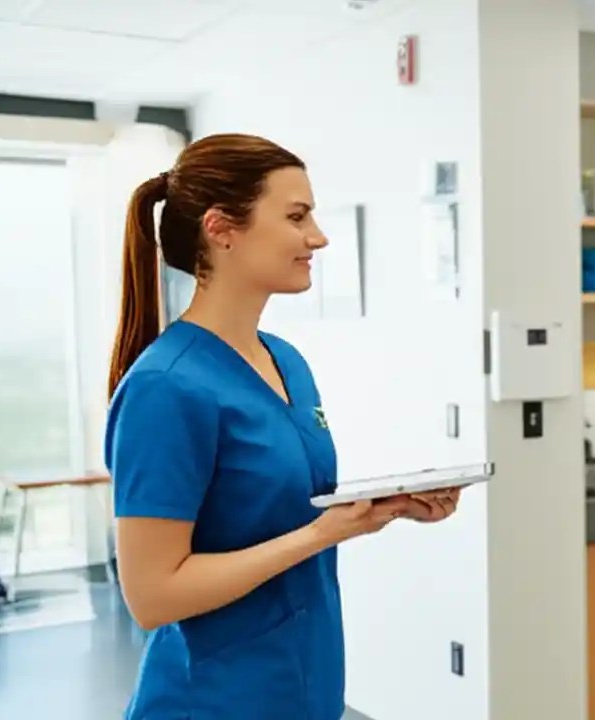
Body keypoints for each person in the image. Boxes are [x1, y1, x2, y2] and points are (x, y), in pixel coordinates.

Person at [104, 133, 461, 720]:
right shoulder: (165, 388)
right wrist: (325, 533)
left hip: (304, 688)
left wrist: (382, 506)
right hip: (214, 701)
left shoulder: (285, 361)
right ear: (222, 230)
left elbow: (279, 507)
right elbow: (153, 595)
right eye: (297, 216)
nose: (317, 236)